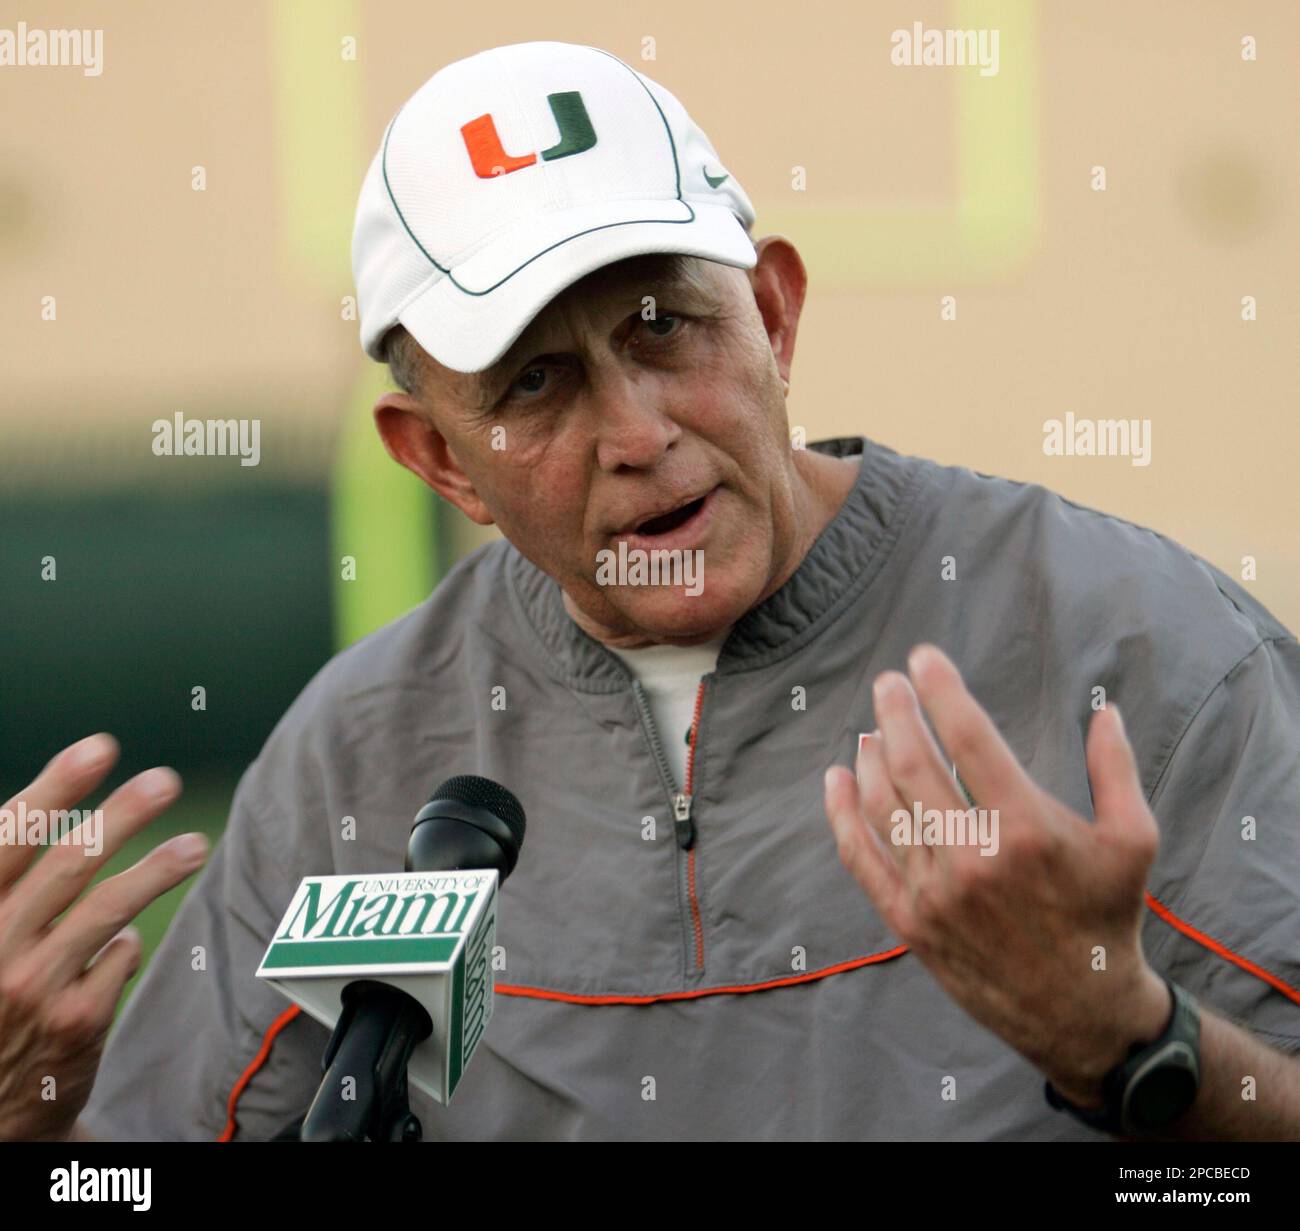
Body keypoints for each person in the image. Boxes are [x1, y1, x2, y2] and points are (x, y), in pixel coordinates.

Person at [3, 40, 1298, 1142]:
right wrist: (30, 1117)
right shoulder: (359, 759)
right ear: (439, 458)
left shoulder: (1138, 646)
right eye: (533, 383)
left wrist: (1135, 1042)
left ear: (775, 319)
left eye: (664, 328)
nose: (633, 431)